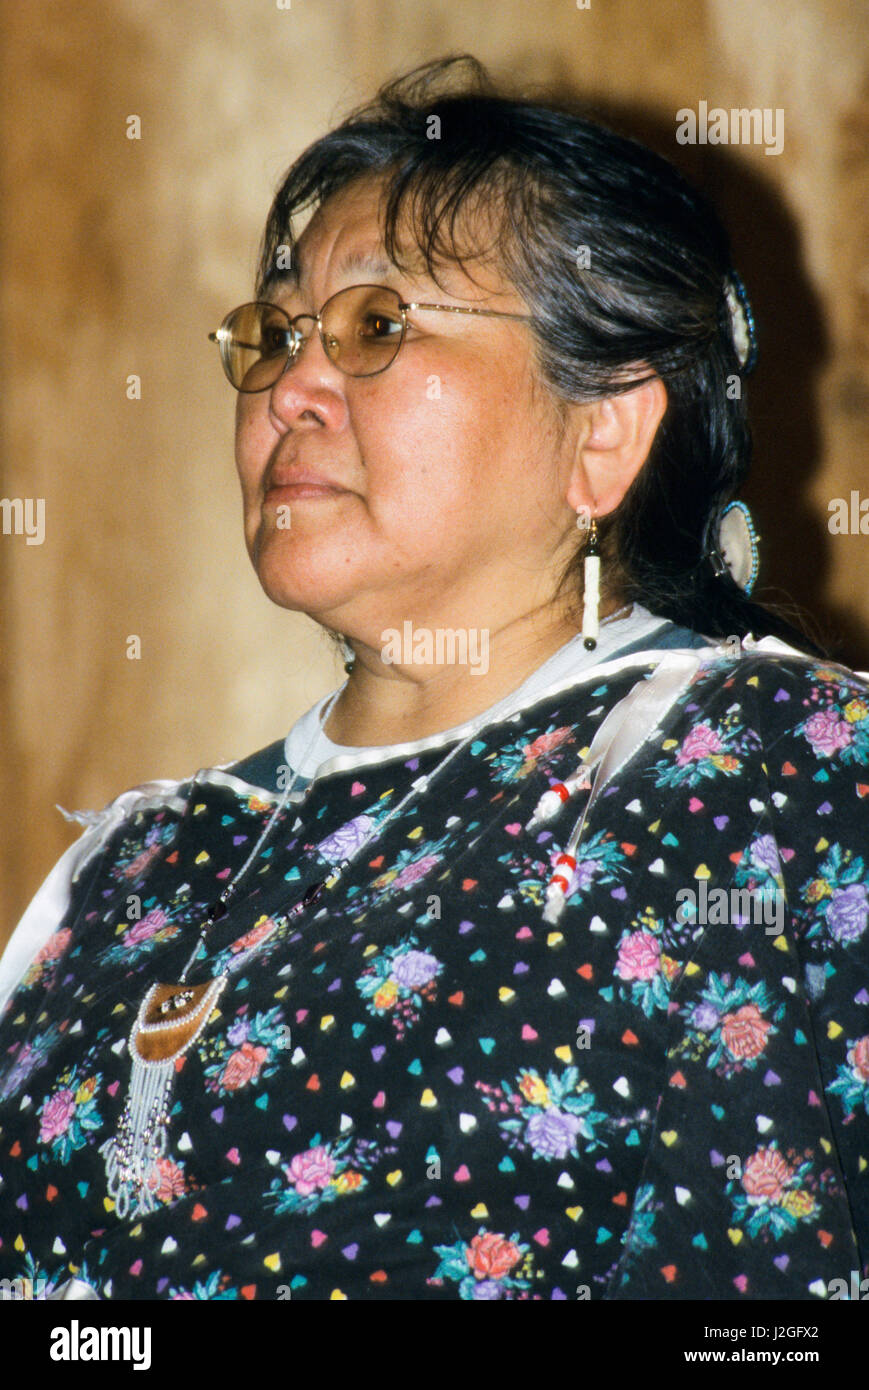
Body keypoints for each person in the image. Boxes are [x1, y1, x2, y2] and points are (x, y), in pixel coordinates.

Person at [1, 55, 867, 1303]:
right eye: (279, 331)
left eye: (376, 327)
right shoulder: (143, 858)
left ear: (604, 426)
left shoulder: (769, 768)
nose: (289, 386)